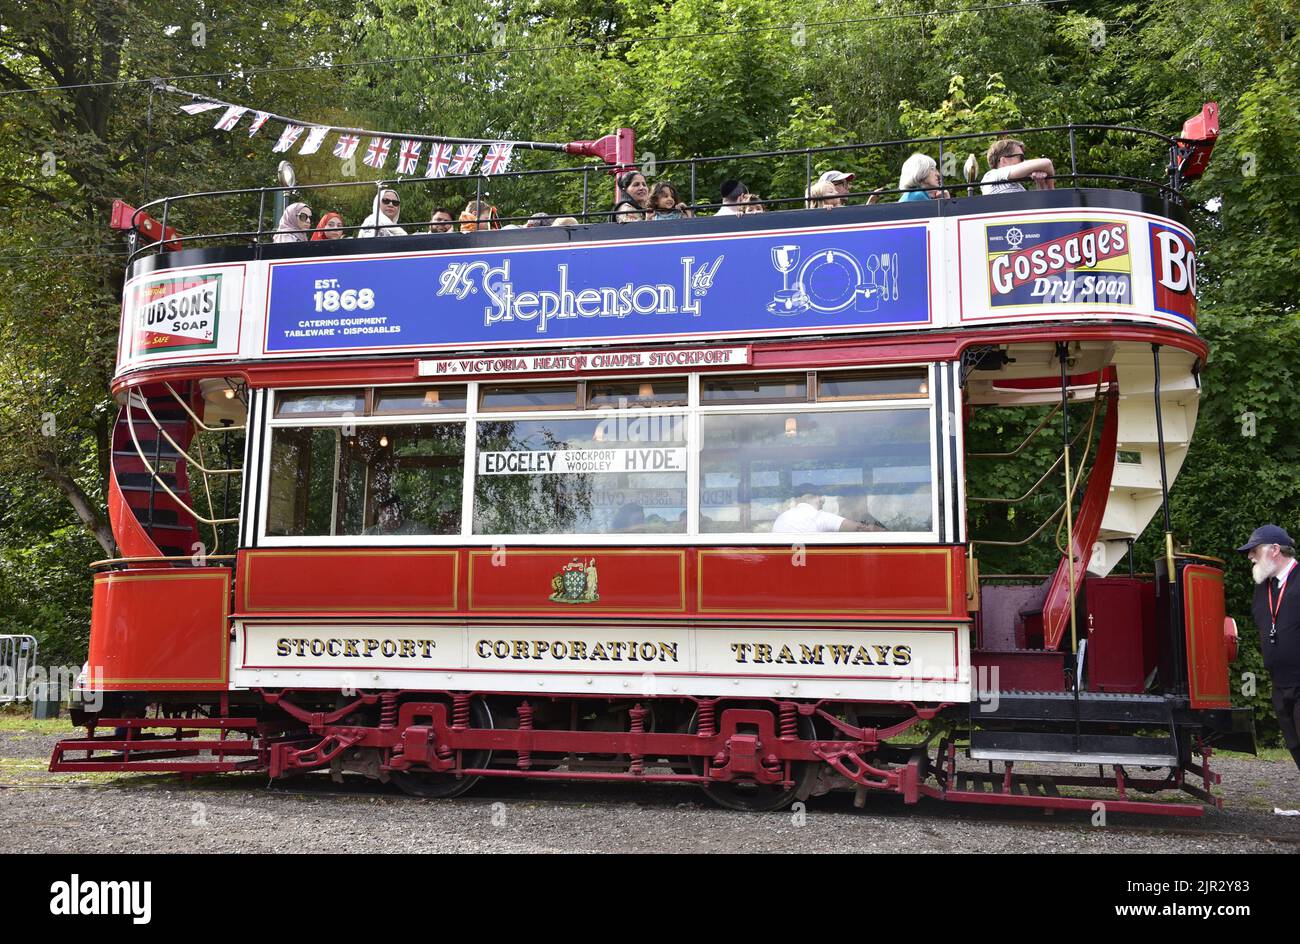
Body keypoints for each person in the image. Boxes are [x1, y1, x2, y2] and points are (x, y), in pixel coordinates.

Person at [1238, 525, 1300, 771]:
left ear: (1275, 550)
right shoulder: (1264, 587)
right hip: (1280, 682)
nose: (1250, 557)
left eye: (1254, 550)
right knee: (1294, 743)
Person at [981, 138, 1056, 194]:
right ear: (1004, 161)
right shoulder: (992, 175)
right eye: (1021, 158)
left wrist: (1041, 184)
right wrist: (1050, 186)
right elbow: (1047, 163)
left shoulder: (1019, 186)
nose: (1024, 161)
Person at [772, 493, 877, 533]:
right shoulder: (818, 516)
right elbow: (857, 528)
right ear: (817, 498)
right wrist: (885, 531)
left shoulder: (781, 518)